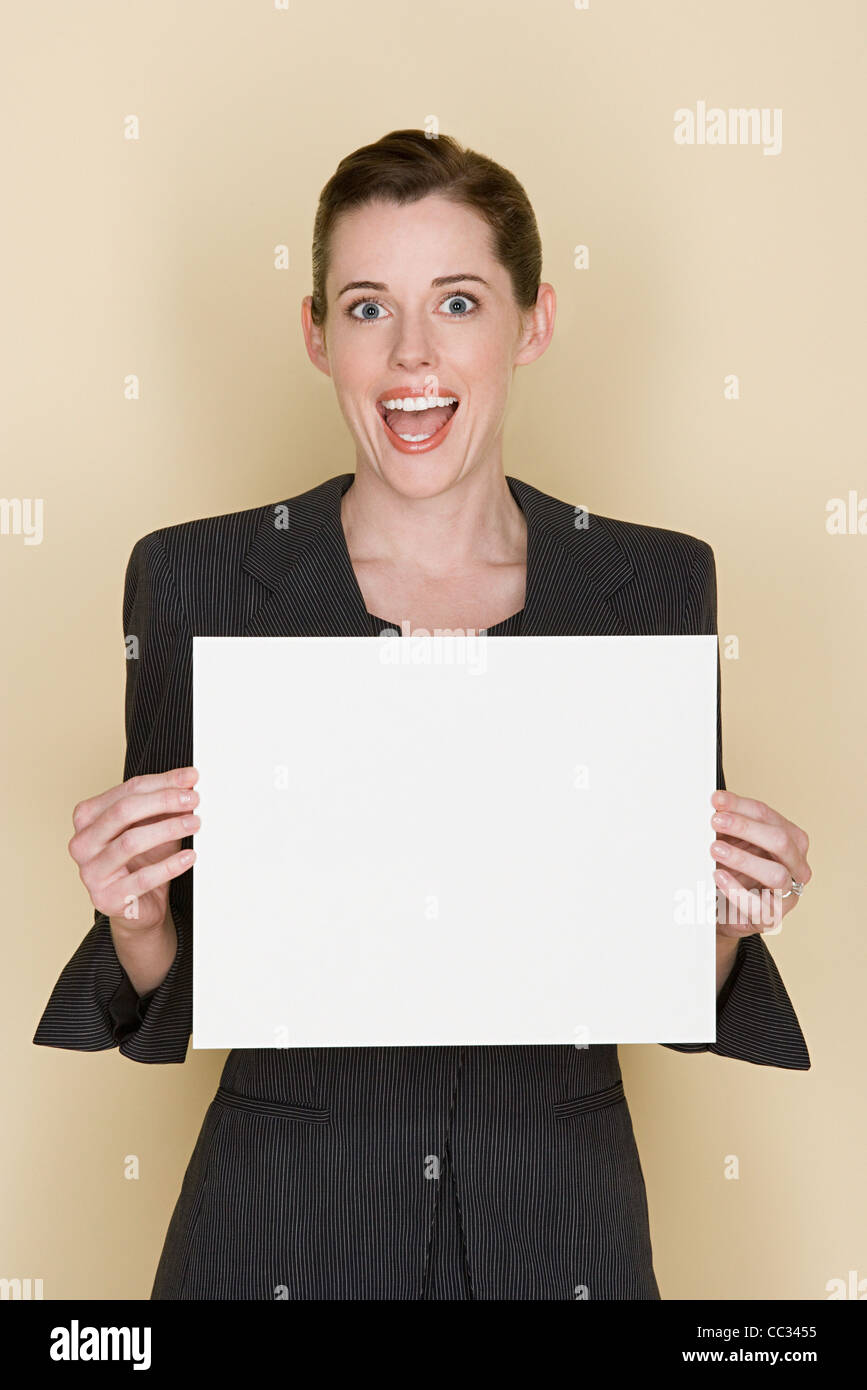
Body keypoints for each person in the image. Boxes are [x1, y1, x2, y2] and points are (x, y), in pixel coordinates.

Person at [33, 129, 811, 1300]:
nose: (411, 356)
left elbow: (651, 968)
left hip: (560, 1224)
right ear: (316, 334)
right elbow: (186, 978)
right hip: (284, 1218)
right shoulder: (200, 579)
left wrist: (732, 914)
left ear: (532, 324)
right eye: (365, 308)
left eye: (457, 302)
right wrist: (136, 919)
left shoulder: (650, 583)